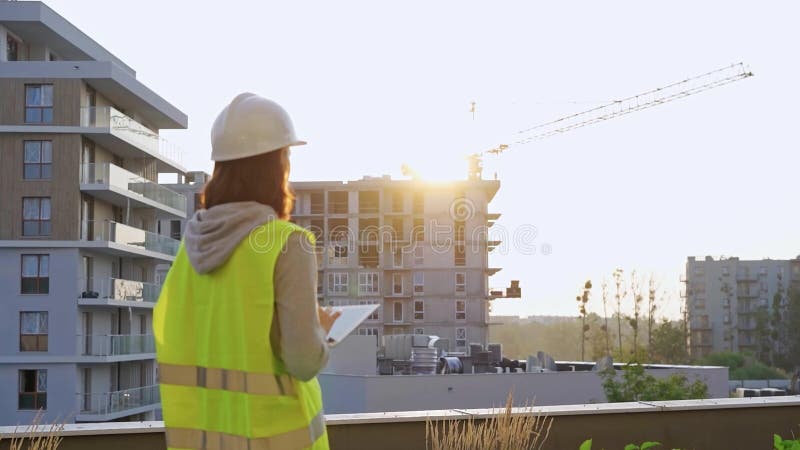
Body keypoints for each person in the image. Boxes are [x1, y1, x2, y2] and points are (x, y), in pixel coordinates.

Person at [153, 93, 340, 450]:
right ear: (277, 166)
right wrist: (323, 334)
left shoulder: (187, 252)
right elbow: (303, 362)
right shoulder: (288, 244)